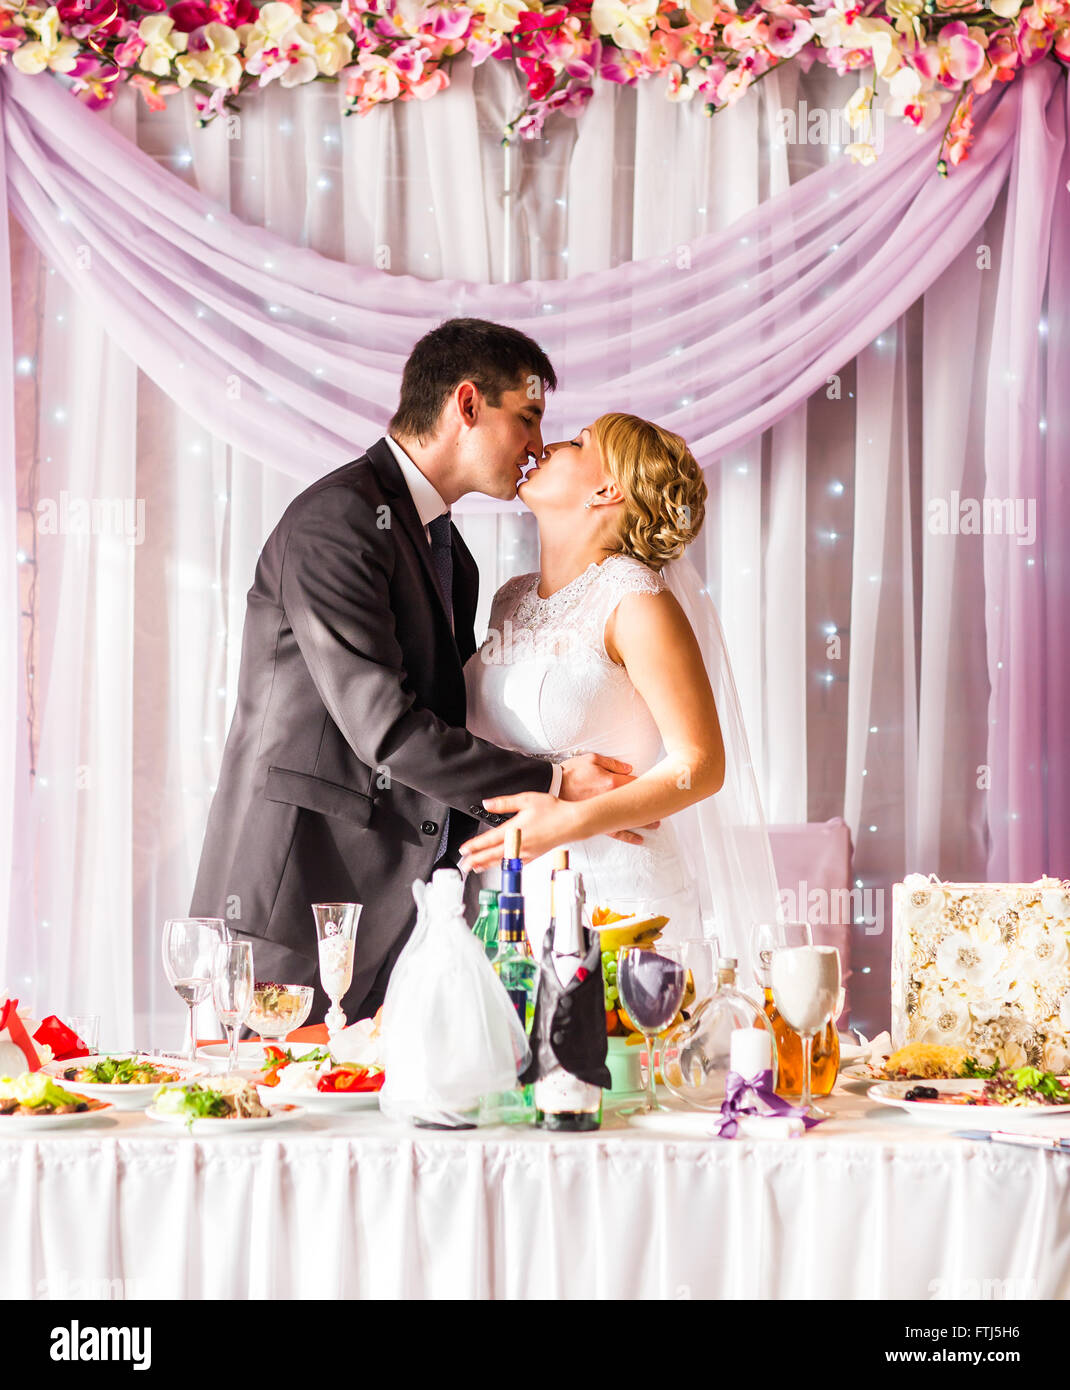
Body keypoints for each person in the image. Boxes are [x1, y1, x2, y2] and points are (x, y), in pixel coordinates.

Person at [189, 320, 642, 1023]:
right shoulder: (336, 523)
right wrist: (554, 783)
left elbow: (444, 719)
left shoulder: (451, 553)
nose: (536, 446)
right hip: (295, 905)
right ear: (468, 404)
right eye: (527, 418)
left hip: (401, 915)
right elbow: (389, 731)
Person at [460, 413, 780, 972]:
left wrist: (567, 821)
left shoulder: (636, 601)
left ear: (607, 489)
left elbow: (701, 764)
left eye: (578, 442)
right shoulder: (509, 598)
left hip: (617, 897)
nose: (548, 445)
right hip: (510, 893)